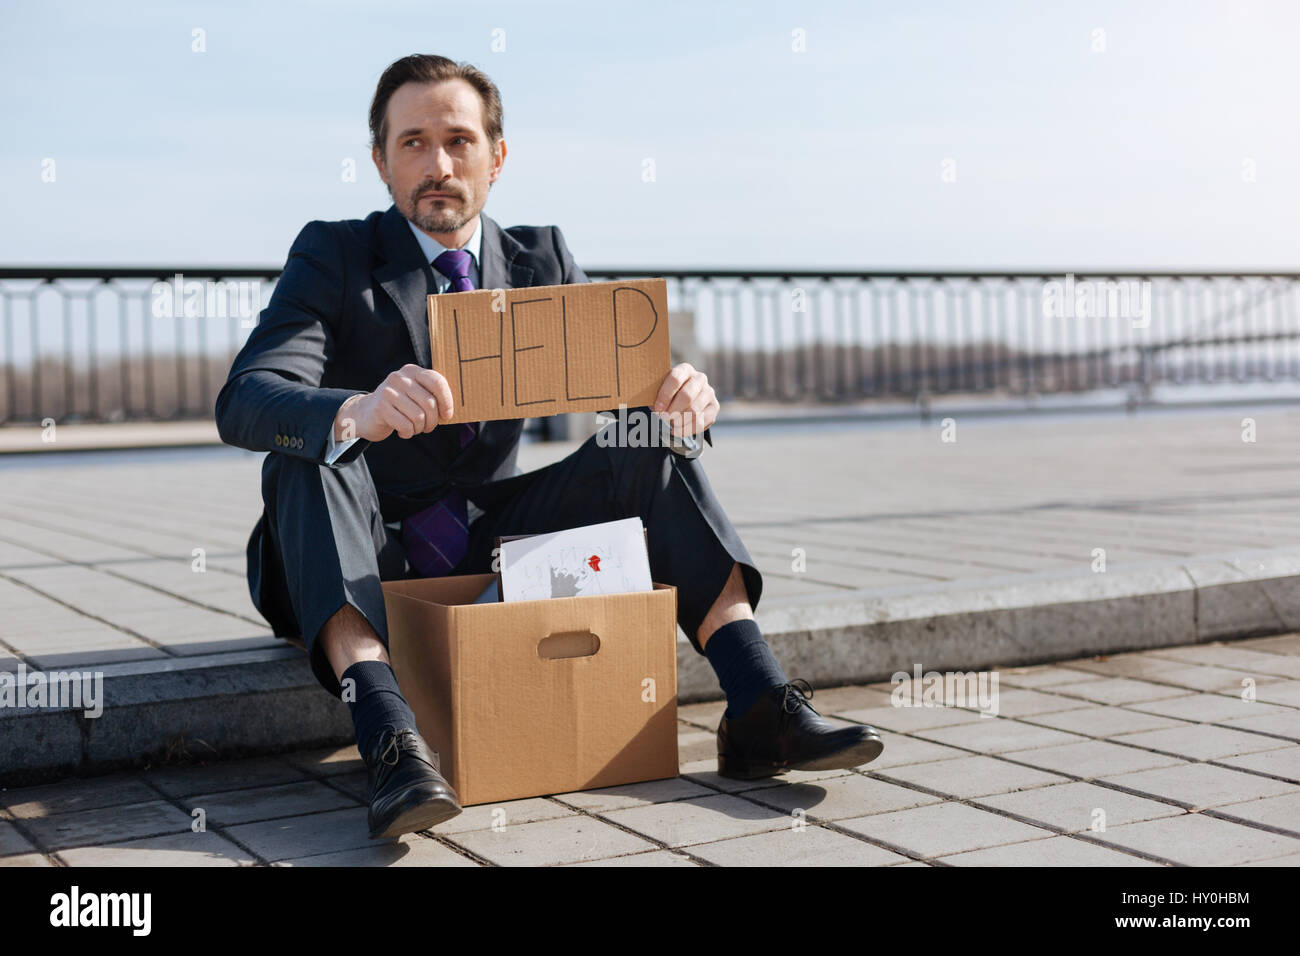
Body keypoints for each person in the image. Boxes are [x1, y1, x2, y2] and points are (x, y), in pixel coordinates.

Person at [214, 54, 883, 841]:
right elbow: (248, 397)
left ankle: (760, 703)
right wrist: (357, 409)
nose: (438, 166)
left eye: (459, 141)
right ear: (380, 161)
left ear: (497, 157)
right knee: (308, 451)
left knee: (646, 441)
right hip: (357, 547)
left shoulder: (542, 259)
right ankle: (392, 743)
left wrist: (682, 403)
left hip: (490, 543)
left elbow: (637, 399)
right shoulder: (333, 253)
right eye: (414, 143)